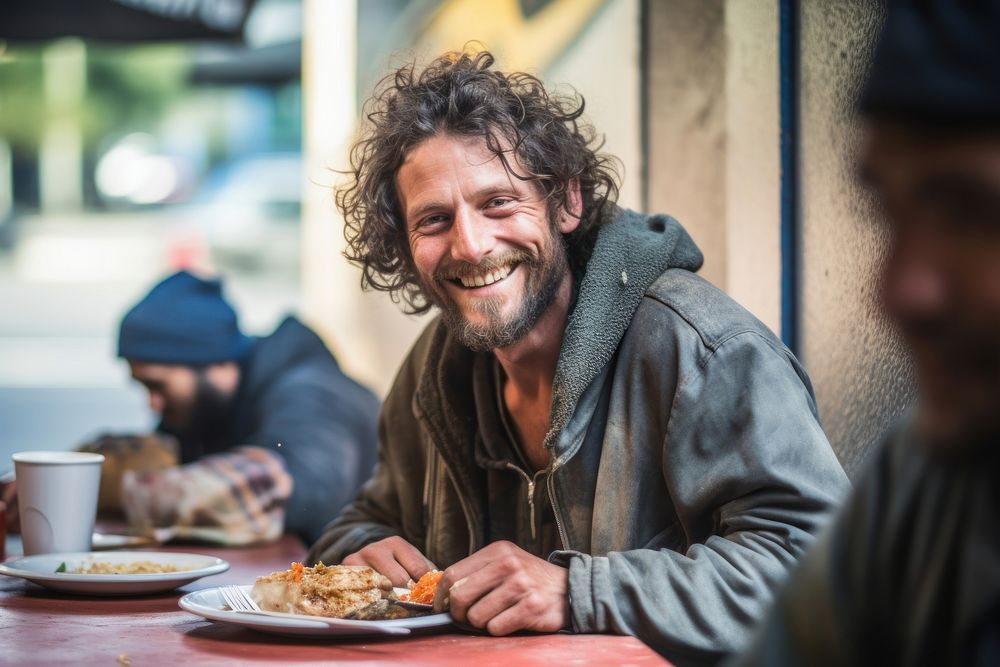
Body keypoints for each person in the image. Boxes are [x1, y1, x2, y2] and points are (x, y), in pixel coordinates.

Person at [306, 50, 849, 663]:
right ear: (404, 246)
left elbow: (826, 575)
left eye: (498, 202)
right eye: (434, 220)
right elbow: (363, 520)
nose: (471, 245)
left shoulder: (701, 348)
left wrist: (578, 591)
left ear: (566, 202)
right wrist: (362, 552)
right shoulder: (434, 372)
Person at [736, 1, 1000, 665]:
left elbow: (782, 548)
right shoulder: (930, 476)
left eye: (971, 212)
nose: (899, 291)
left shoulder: (707, 346)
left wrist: (582, 586)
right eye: (888, 212)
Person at [114, 270, 380, 545]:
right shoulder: (207, 409)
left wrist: (123, 490)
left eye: (158, 385)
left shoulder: (311, 394)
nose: (153, 403)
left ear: (216, 363)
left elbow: (287, 487)